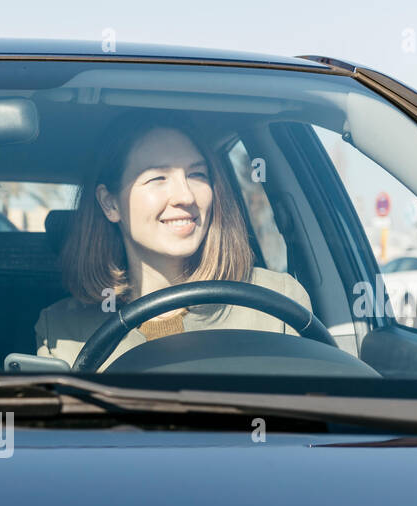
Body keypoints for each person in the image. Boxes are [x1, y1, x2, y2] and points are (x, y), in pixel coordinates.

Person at [35, 113, 312, 369]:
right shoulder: (62, 330)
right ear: (110, 204)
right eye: (157, 177)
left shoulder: (278, 303)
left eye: (196, 175)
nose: (186, 196)